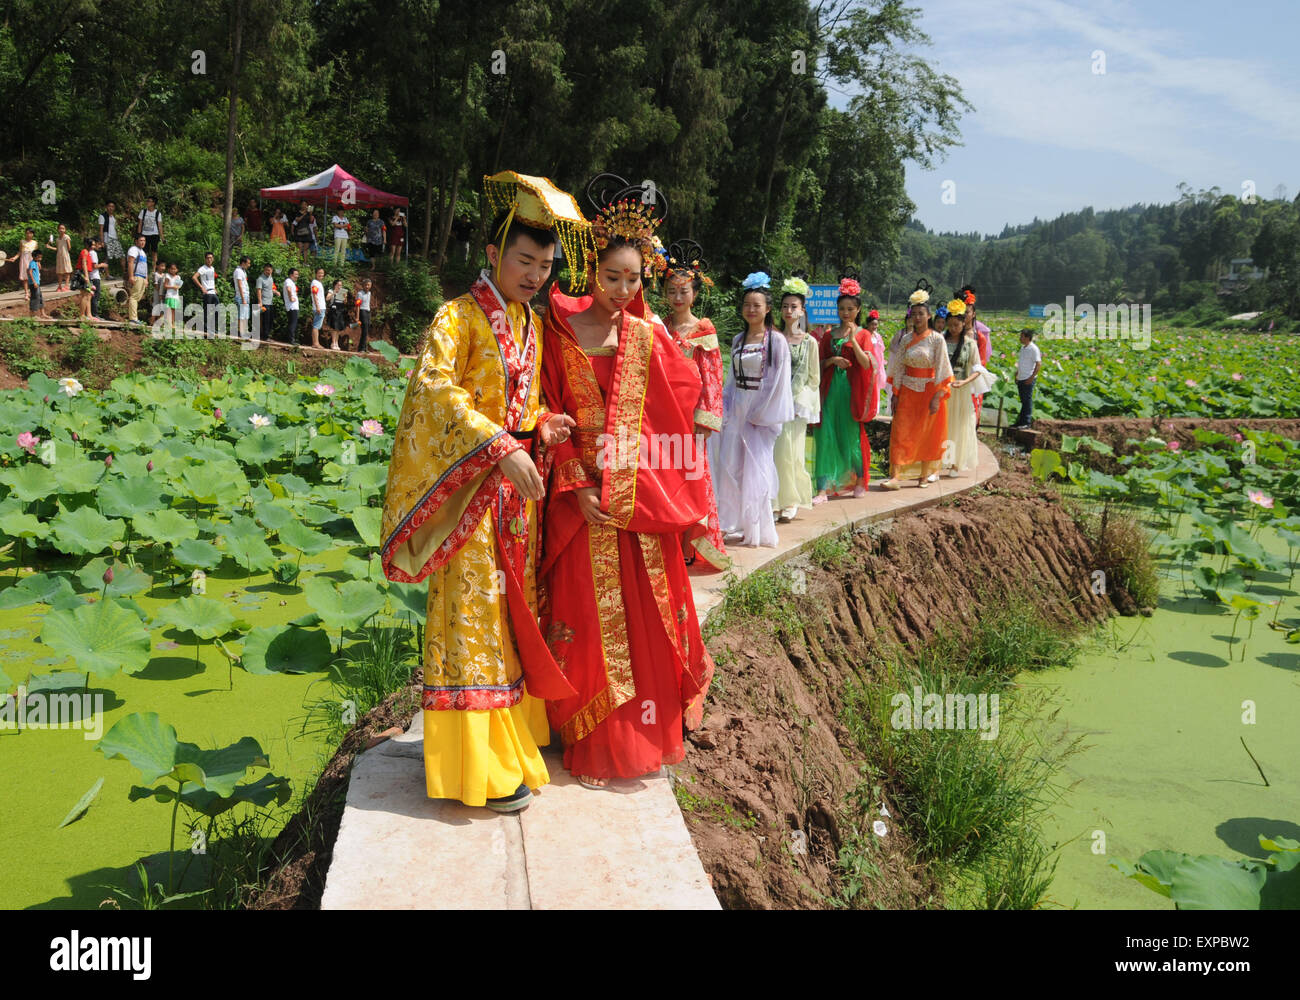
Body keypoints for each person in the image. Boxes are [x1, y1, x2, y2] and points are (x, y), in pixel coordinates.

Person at [380, 170, 585, 812]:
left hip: (511, 507)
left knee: (504, 623)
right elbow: (434, 394)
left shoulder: (530, 322)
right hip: (468, 499)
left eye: (546, 265)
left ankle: (510, 741)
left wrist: (538, 428)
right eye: (524, 260)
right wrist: (500, 447)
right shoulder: (458, 318)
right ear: (493, 254)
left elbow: (515, 405)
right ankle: (475, 768)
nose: (535, 275)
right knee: (470, 625)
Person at [538, 177, 715, 789]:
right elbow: (544, 409)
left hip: (640, 502)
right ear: (592, 269)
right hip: (581, 498)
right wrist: (575, 486)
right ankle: (592, 741)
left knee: (645, 622)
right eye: (612, 276)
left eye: (634, 279)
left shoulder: (647, 335)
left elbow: (679, 405)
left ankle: (640, 737)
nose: (623, 290)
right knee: (589, 620)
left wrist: (646, 475)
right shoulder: (556, 331)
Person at [712, 273, 794, 547]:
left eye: (756, 305)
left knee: (756, 471)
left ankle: (756, 529)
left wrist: (760, 414)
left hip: (761, 415)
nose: (751, 309)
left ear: (768, 308)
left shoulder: (776, 341)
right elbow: (731, 380)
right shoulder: (737, 340)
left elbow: (778, 382)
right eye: (747, 304)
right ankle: (730, 522)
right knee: (730, 467)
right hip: (736, 411)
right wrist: (726, 408)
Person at [662, 239, 728, 572]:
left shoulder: (703, 329)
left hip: (690, 419)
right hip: (665, 418)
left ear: (695, 294)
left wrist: (705, 418)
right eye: (672, 290)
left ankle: (692, 545)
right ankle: (672, 543)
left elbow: (712, 375)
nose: (677, 297)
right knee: (669, 479)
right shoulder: (660, 328)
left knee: (693, 478)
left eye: (683, 291)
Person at [880, 283, 953, 489]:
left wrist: (938, 396)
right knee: (900, 431)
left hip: (929, 391)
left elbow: (943, 368)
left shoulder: (937, 340)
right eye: (915, 314)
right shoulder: (905, 340)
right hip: (907, 391)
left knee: (927, 434)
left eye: (922, 313)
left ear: (929, 316)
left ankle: (924, 474)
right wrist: (895, 393)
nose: (918, 317)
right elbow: (899, 366)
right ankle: (895, 476)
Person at [814, 276, 880, 499]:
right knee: (826, 436)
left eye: (850, 309)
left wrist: (854, 339)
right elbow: (819, 365)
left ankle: (860, 480)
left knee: (851, 436)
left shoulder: (864, 335)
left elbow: (866, 364)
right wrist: (833, 361)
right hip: (830, 391)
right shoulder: (827, 336)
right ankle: (823, 488)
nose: (845, 313)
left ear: (858, 309)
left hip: (851, 392)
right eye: (841, 308)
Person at [774, 276, 819, 519]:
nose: (789, 311)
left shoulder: (810, 342)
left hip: (795, 407)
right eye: (785, 306)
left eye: (794, 307)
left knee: (792, 453)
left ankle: (790, 501)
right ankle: (774, 500)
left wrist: (802, 402)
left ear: (802, 311)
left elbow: (814, 379)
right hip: (773, 406)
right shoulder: (773, 338)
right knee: (773, 454)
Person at [941, 298, 980, 476]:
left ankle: (956, 463)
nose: (953, 328)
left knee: (959, 425)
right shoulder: (940, 340)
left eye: (956, 325)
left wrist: (964, 382)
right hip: (943, 388)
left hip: (961, 389)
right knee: (943, 425)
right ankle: (943, 460)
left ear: (963, 323)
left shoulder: (970, 344)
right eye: (950, 325)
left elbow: (978, 369)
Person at [956, 285, 992, 426]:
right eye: (963, 312)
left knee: (969, 415)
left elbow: (981, 362)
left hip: (971, 378)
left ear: (973, 314)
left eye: (968, 312)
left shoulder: (980, 337)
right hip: (955, 377)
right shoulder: (953, 335)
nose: (965, 315)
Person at [1013, 329, 1042, 428]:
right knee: (1023, 400)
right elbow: (1022, 362)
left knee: (1027, 400)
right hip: (1021, 377)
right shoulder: (1023, 348)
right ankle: (1021, 421)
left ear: (1027, 337)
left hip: (1028, 378)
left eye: (1021, 336)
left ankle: (1026, 422)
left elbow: (1038, 364)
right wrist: (1017, 374)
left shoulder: (1034, 348)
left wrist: (1031, 377)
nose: (1020, 338)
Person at [192, 251, 219, 335]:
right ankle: (205, 329)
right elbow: (194, 277)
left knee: (217, 310)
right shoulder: (202, 268)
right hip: (207, 293)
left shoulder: (212, 268)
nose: (209, 259)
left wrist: (214, 288)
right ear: (205, 259)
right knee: (207, 311)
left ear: (213, 259)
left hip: (213, 292)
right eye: (208, 258)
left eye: (211, 258)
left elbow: (211, 279)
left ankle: (213, 328)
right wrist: (201, 287)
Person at [125, 234, 150, 325]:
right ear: (136, 241)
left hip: (142, 277)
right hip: (137, 275)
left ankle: (134, 318)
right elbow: (130, 263)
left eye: (144, 240)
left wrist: (146, 279)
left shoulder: (142, 252)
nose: (143, 242)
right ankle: (133, 319)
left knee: (137, 297)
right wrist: (131, 276)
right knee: (134, 297)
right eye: (141, 240)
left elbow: (145, 266)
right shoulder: (133, 250)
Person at [98, 203, 123, 281]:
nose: (111, 208)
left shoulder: (113, 217)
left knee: (122, 256)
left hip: (114, 238)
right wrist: (102, 241)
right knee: (107, 257)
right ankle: (107, 275)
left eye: (112, 206)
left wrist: (117, 237)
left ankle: (125, 273)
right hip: (107, 238)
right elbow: (101, 229)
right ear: (106, 207)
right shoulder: (102, 216)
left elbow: (114, 228)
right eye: (109, 206)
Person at [137, 197, 163, 267]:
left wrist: (162, 237)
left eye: (149, 201)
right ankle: (142, 267)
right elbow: (140, 223)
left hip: (154, 234)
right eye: (147, 201)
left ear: (153, 203)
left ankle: (154, 269)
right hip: (144, 234)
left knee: (154, 252)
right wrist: (139, 235)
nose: (147, 202)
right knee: (144, 251)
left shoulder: (157, 213)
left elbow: (160, 226)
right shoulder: (143, 211)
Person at [45, 224, 72, 291]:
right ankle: (59, 286)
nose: (61, 230)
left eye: (63, 228)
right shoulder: (57, 239)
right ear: (58, 229)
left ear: (65, 230)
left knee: (67, 271)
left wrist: (65, 253)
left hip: (65, 256)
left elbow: (69, 247)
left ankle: (66, 285)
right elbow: (57, 248)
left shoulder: (66, 237)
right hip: (59, 256)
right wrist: (49, 247)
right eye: (60, 228)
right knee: (59, 272)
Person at [256, 263, 278, 342]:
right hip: (264, 302)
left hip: (270, 302)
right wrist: (260, 301)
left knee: (271, 320)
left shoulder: (270, 278)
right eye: (267, 270)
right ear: (264, 270)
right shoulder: (260, 279)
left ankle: (267, 335)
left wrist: (275, 292)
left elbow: (270, 288)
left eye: (270, 270)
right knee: (265, 320)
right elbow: (258, 290)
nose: (268, 272)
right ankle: (265, 337)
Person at [27, 250, 51, 319]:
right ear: (34, 257)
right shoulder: (32, 263)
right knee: (34, 298)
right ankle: (32, 314)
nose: (40, 259)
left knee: (40, 298)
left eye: (41, 257)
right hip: (33, 283)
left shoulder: (36, 263)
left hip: (37, 283)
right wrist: (34, 282)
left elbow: (38, 269)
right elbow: (30, 272)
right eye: (39, 257)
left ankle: (43, 314)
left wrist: (39, 263)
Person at [233, 255, 252, 341]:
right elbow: (240, 285)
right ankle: (241, 332)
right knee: (242, 315)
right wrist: (243, 298)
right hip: (241, 296)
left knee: (245, 315)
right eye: (248, 263)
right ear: (243, 263)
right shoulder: (238, 271)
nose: (249, 265)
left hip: (245, 295)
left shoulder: (243, 271)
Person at [75, 239, 95, 318]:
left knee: (89, 295)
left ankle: (89, 314)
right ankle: (82, 315)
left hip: (86, 274)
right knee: (85, 294)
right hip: (83, 274)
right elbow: (84, 263)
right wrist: (86, 276)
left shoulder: (88, 253)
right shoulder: (85, 251)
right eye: (92, 245)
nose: (93, 246)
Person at [327, 278, 349, 350]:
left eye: (341, 285)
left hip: (340, 311)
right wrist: (334, 292)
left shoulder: (342, 292)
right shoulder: (331, 291)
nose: (340, 287)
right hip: (333, 310)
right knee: (334, 327)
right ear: (335, 285)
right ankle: (333, 343)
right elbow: (327, 299)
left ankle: (336, 343)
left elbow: (345, 303)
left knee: (338, 328)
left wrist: (345, 297)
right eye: (338, 285)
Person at [309, 267, 327, 349]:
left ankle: (316, 343)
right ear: (316, 274)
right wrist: (317, 307)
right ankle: (315, 343)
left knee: (317, 325)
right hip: (319, 307)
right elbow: (314, 295)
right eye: (319, 273)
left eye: (322, 273)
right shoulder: (315, 283)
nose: (321, 274)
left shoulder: (319, 283)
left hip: (321, 306)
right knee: (316, 325)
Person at [16, 228, 37, 299]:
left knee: (33, 276)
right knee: (25, 277)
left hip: (32, 260)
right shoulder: (22, 242)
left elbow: (37, 254)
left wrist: (39, 263)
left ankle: (32, 292)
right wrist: (15, 257)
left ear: (33, 234)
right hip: (24, 260)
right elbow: (20, 252)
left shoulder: (35, 242)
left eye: (30, 233)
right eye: (27, 233)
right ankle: (26, 293)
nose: (29, 234)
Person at [164, 263, 184, 333]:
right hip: (169, 295)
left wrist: (177, 287)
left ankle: (172, 324)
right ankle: (168, 324)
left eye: (174, 269)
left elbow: (178, 285)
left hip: (175, 296)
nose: (173, 270)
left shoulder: (178, 277)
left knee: (173, 310)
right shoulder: (167, 276)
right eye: (171, 269)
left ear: (177, 270)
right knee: (168, 310)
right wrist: (172, 287)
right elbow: (165, 286)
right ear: (169, 269)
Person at [355, 277, 373, 352]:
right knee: (364, 330)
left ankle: (365, 348)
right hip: (362, 312)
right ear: (363, 285)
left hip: (368, 312)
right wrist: (357, 317)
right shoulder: (360, 294)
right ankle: (361, 348)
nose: (367, 286)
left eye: (369, 285)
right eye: (366, 285)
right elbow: (358, 305)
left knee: (367, 331)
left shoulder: (369, 293)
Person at [283, 267, 301, 345]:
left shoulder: (291, 282)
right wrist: (291, 298)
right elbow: (289, 289)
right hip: (292, 306)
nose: (297, 276)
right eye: (296, 274)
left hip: (293, 306)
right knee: (293, 323)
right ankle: (291, 340)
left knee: (292, 322)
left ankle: (290, 339)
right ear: (291, 275)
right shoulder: (288, 281)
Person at [150, 258, 168, 324]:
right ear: (157, 266)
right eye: (161, 266)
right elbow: (155, 284)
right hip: (157, 293)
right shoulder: (156, 274)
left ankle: (159, 322)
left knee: (162, 307)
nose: (163, 268)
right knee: (156, 306)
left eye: (164, 266)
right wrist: (160, 293)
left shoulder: (164, 275)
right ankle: (152, 321)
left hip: (162, 293)